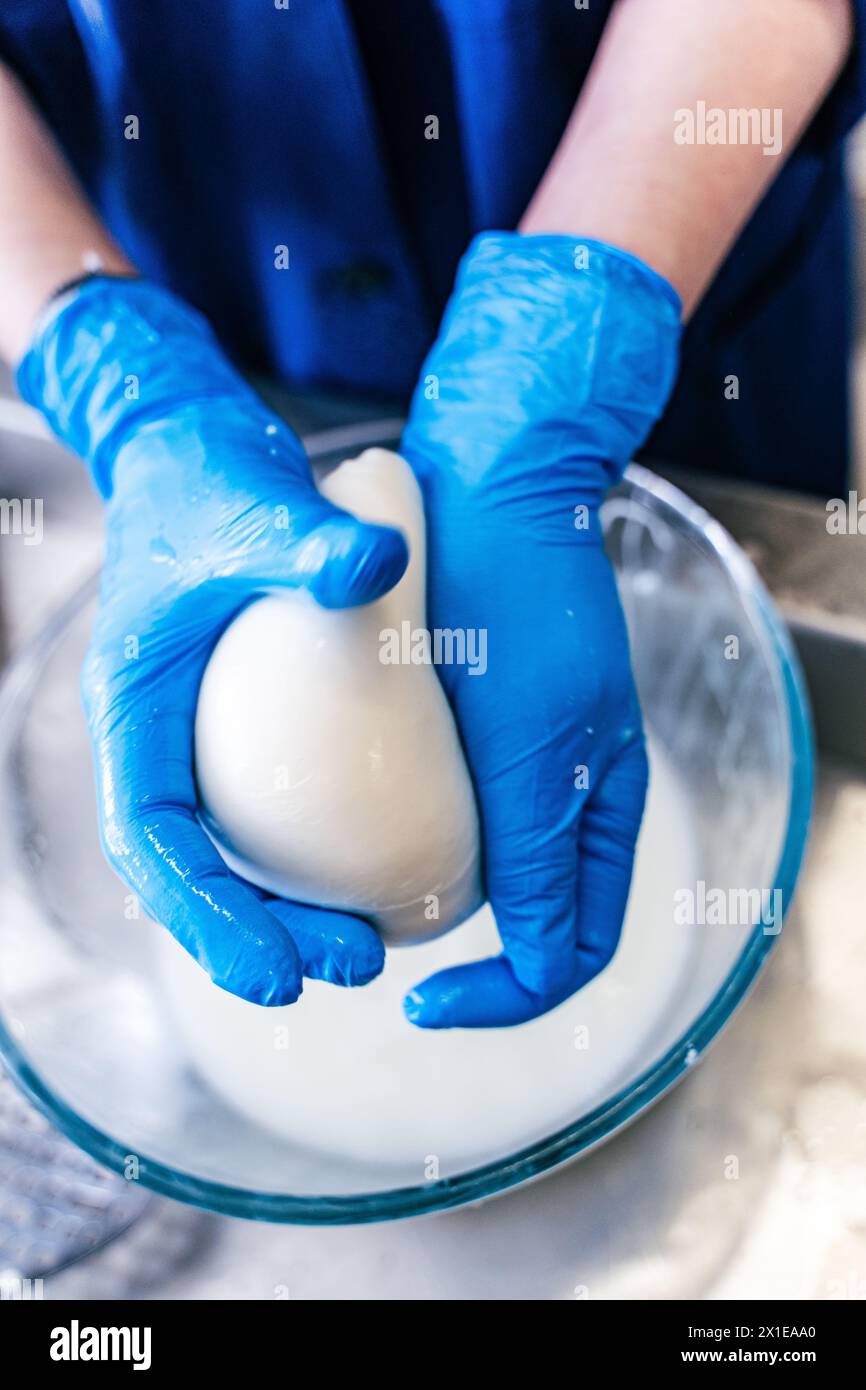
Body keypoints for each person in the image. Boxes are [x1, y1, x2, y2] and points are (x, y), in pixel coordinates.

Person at [0, 0, 858, 1026]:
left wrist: (563, 342)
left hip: (672, 222)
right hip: (196, 269)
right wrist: (116, 370)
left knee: (705, 702)